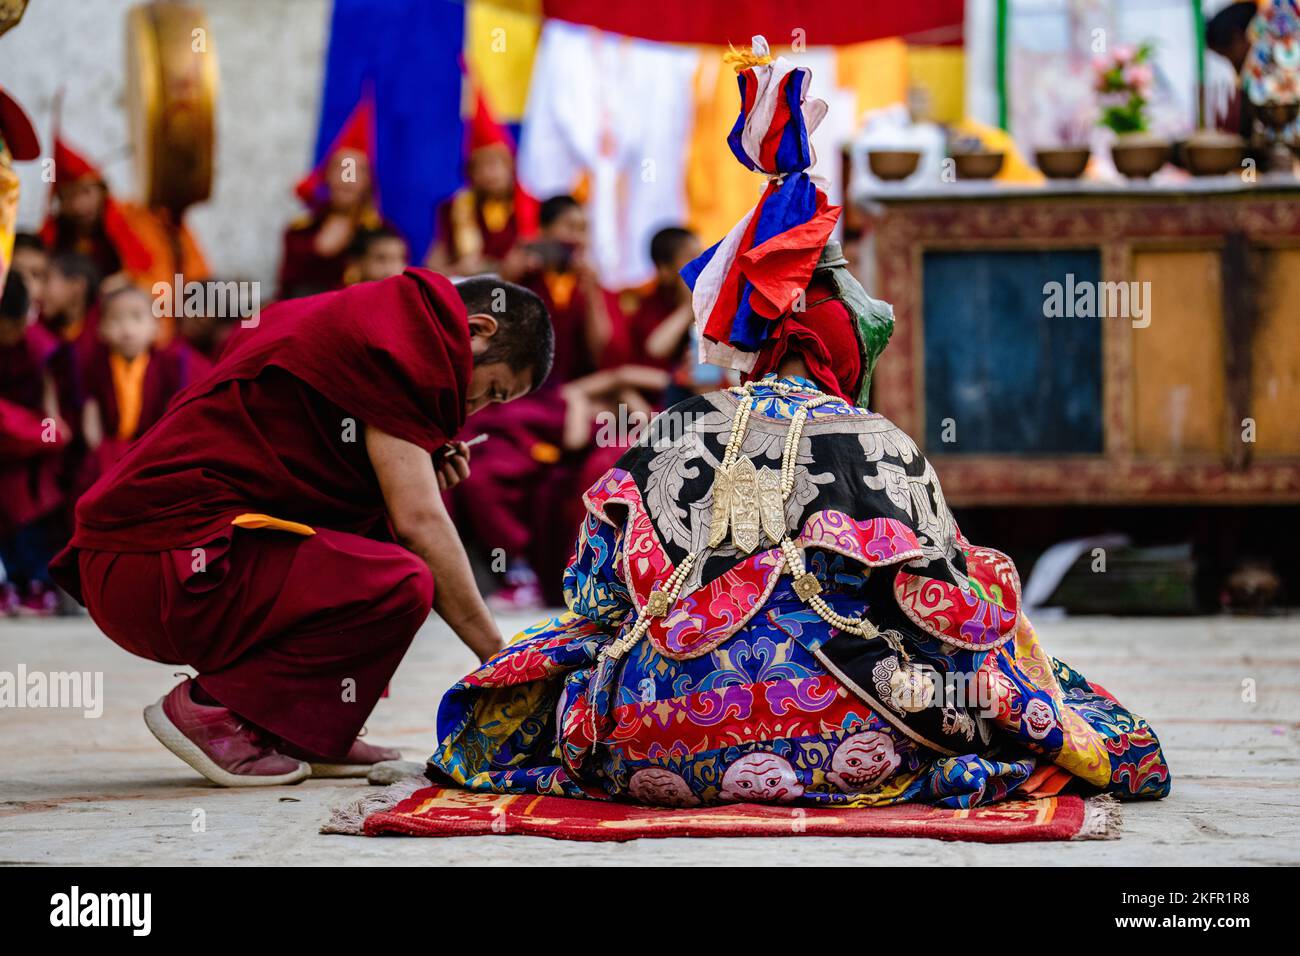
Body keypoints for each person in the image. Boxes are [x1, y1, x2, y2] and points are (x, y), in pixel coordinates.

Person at [430, 39, 1170, 811]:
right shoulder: (877, 441)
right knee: (986, 653)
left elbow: (594, 588)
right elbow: (946, 606)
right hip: (848, 741)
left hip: (649, 742)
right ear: (829, 339)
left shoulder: (673, 428)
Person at [49, 269, 554, 787]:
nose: (475, 410)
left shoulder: (371, 314)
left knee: (375, 556)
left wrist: (412, 460)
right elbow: (419, 525)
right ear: (477, 328)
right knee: (401, 579)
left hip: (145, 559)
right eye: (490, 390)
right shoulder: (406, 345)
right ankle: (214, 712)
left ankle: (298, 729)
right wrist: (501, 657)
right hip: (156, 560)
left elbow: (308, 456)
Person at [77, 285, 199, 489]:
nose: (127, 329)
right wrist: (99, 450)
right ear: (100, 329)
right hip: (109, 451)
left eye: (137, 318)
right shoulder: (95, 365)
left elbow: (171, 415)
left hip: (150, 449)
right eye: (116, 320)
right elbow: (91, 415)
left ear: (156, 327)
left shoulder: (168, 365)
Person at [0, 273, 71, 615]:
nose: (12, 335)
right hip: (7, 441)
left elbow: (54, 423)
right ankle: (10, 583)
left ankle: (39, 584)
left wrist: (46, 431)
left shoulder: (36, 343)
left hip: (32, 438)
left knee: (28, 512)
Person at [278, 98, 386, 299]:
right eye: (342, 169)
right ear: (326, 175)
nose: (348, 180)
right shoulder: (301, 232)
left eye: (356, 172)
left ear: (369, 181)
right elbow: (288, 288)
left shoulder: (381, 233)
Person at [425, 88, 537, 278]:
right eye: (481, 167)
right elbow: (432, 268)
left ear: (511, 167)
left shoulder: (532, 206)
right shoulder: (453, 208)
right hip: (470, 296)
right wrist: (460, 270)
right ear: (470, 174)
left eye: (496, 164)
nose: (490, 174)